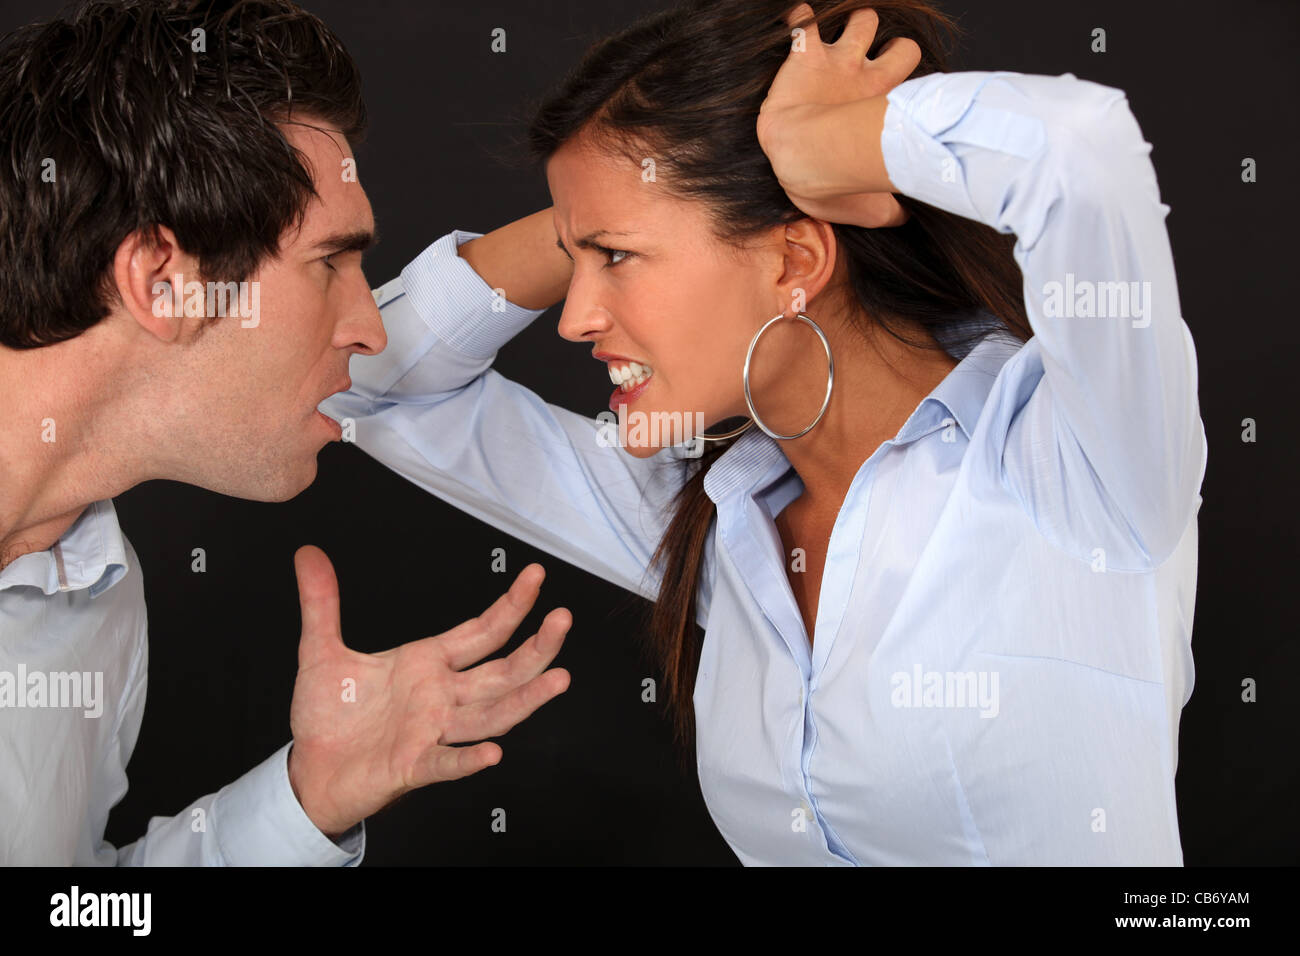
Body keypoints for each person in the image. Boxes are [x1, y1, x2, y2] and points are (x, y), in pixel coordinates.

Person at [325, 0, 1207, 865]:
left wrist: (821, 148)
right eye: (574, 263)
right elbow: (367, 386)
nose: (574, 317)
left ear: (794, 261)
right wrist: (589, 219)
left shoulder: (1081, 460)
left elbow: (1081, 155)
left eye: (617, 258)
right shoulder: (723, 513)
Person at [0, 0, 572, 865]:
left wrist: (305, 803)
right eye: (330, 263)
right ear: (164, 283)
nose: (368, 327)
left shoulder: (97, 593)